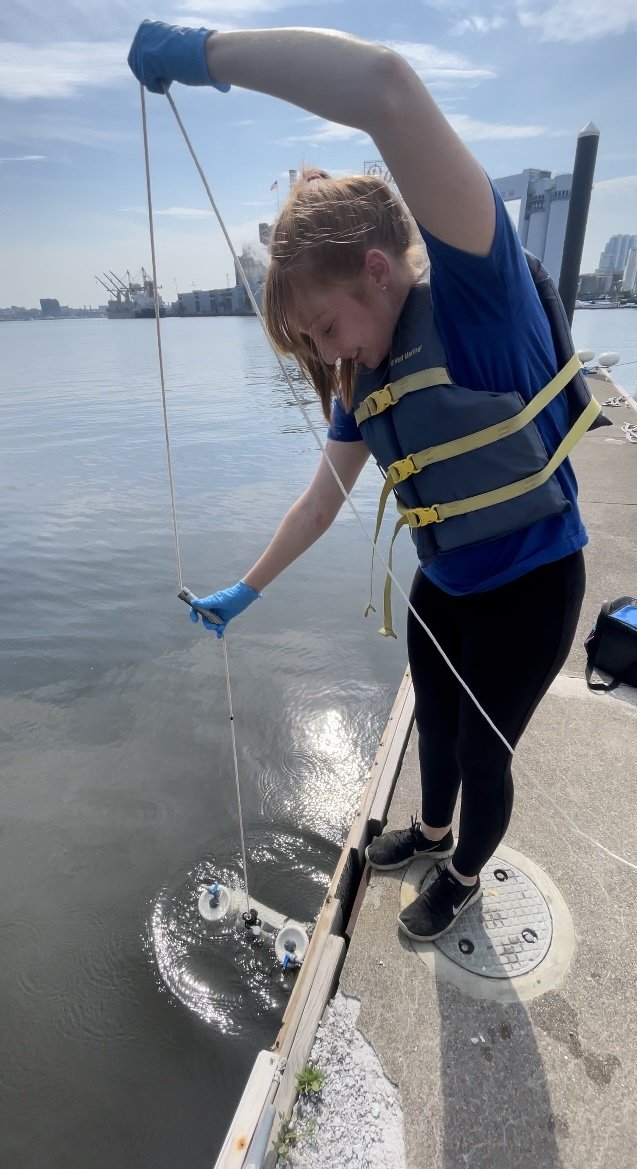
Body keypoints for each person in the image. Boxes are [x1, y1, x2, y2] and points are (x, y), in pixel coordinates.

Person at [128, 21, 588, 942]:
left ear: (376, 272)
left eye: (327, 329)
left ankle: (460, 876)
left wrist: (204, 55)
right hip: (444, 587)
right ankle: (428, 829)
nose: (329, 357)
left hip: (532, 585)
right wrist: (244, 592)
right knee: (436, 726)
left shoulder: (476, 301)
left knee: (482, 749)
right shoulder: (365, 376)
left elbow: (383, 86)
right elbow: (319, 499)